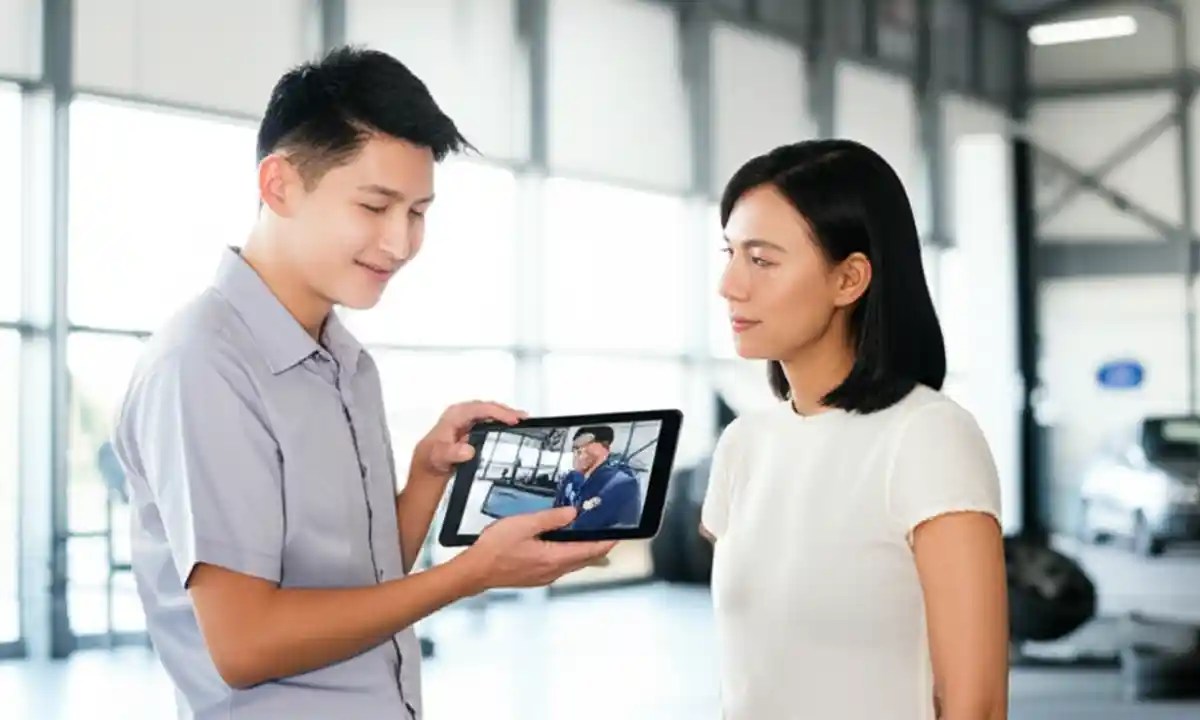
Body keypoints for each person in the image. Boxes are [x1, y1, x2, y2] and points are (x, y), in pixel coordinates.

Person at [110, 46, 613, 720]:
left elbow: (365, 578)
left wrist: (427, 475)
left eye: (418, 212)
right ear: (279, 185)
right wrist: (468, 576)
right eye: (375, 206)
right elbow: (246, 642)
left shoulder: (347, 361)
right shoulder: (203, 362)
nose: (401, 243)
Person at [701, 139, 1009, 719]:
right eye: (731, 253)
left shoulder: (927, 437)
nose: (730, 285)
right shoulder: (744, 445)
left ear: (850, 279)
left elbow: (978, 706)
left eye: (762, 260)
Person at [552, 426, 642, 530]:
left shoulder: (622, 483)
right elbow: (555, 515)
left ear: (605, 449)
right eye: (576, 447)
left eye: (586, 442)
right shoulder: (571, 479)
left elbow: (627, 527)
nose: (579, 450)